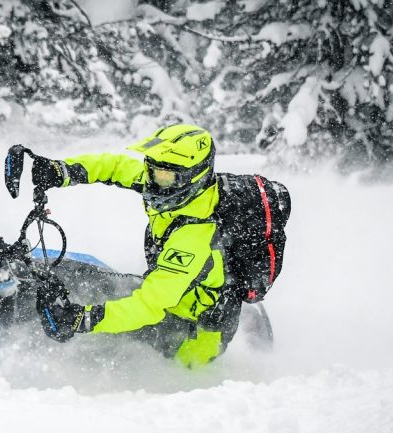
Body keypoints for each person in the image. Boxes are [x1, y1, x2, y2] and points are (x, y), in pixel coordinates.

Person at [23, 123, 243, 368]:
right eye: (152, 170)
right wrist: (62, 171)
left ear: (192, 178)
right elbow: (117, 167)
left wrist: (80, 320)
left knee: (103, 348)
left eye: (164, 175)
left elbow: (148, 306)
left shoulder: (194, 239)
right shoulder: (169, 183)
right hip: (173, 294)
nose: (153, 181)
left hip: (191, 337)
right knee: (94, 284)